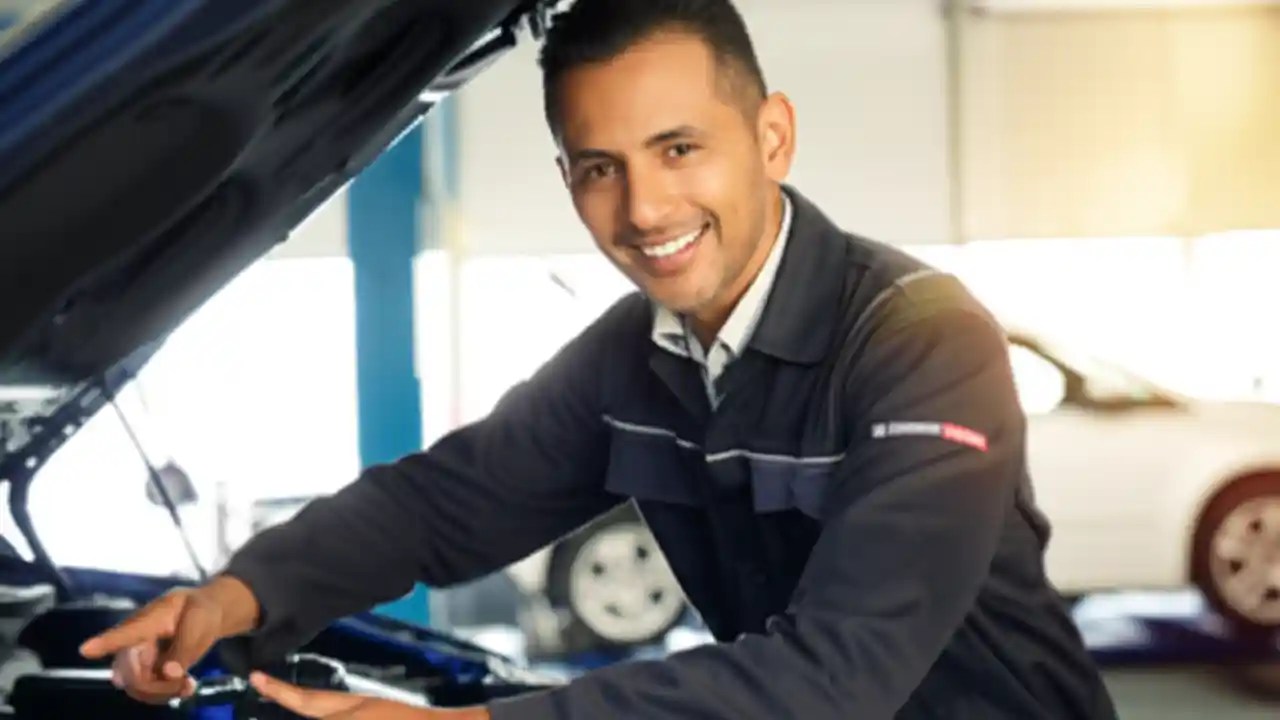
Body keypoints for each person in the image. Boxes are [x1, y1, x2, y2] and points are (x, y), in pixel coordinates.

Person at [80, 0, 1119, 717]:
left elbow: (837, 674)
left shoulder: (919, 339)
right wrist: (233, 600)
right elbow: (447, 501)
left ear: (770, 138)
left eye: (679, 150)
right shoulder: (637, 359)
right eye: (597, 169)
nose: (643, 209)